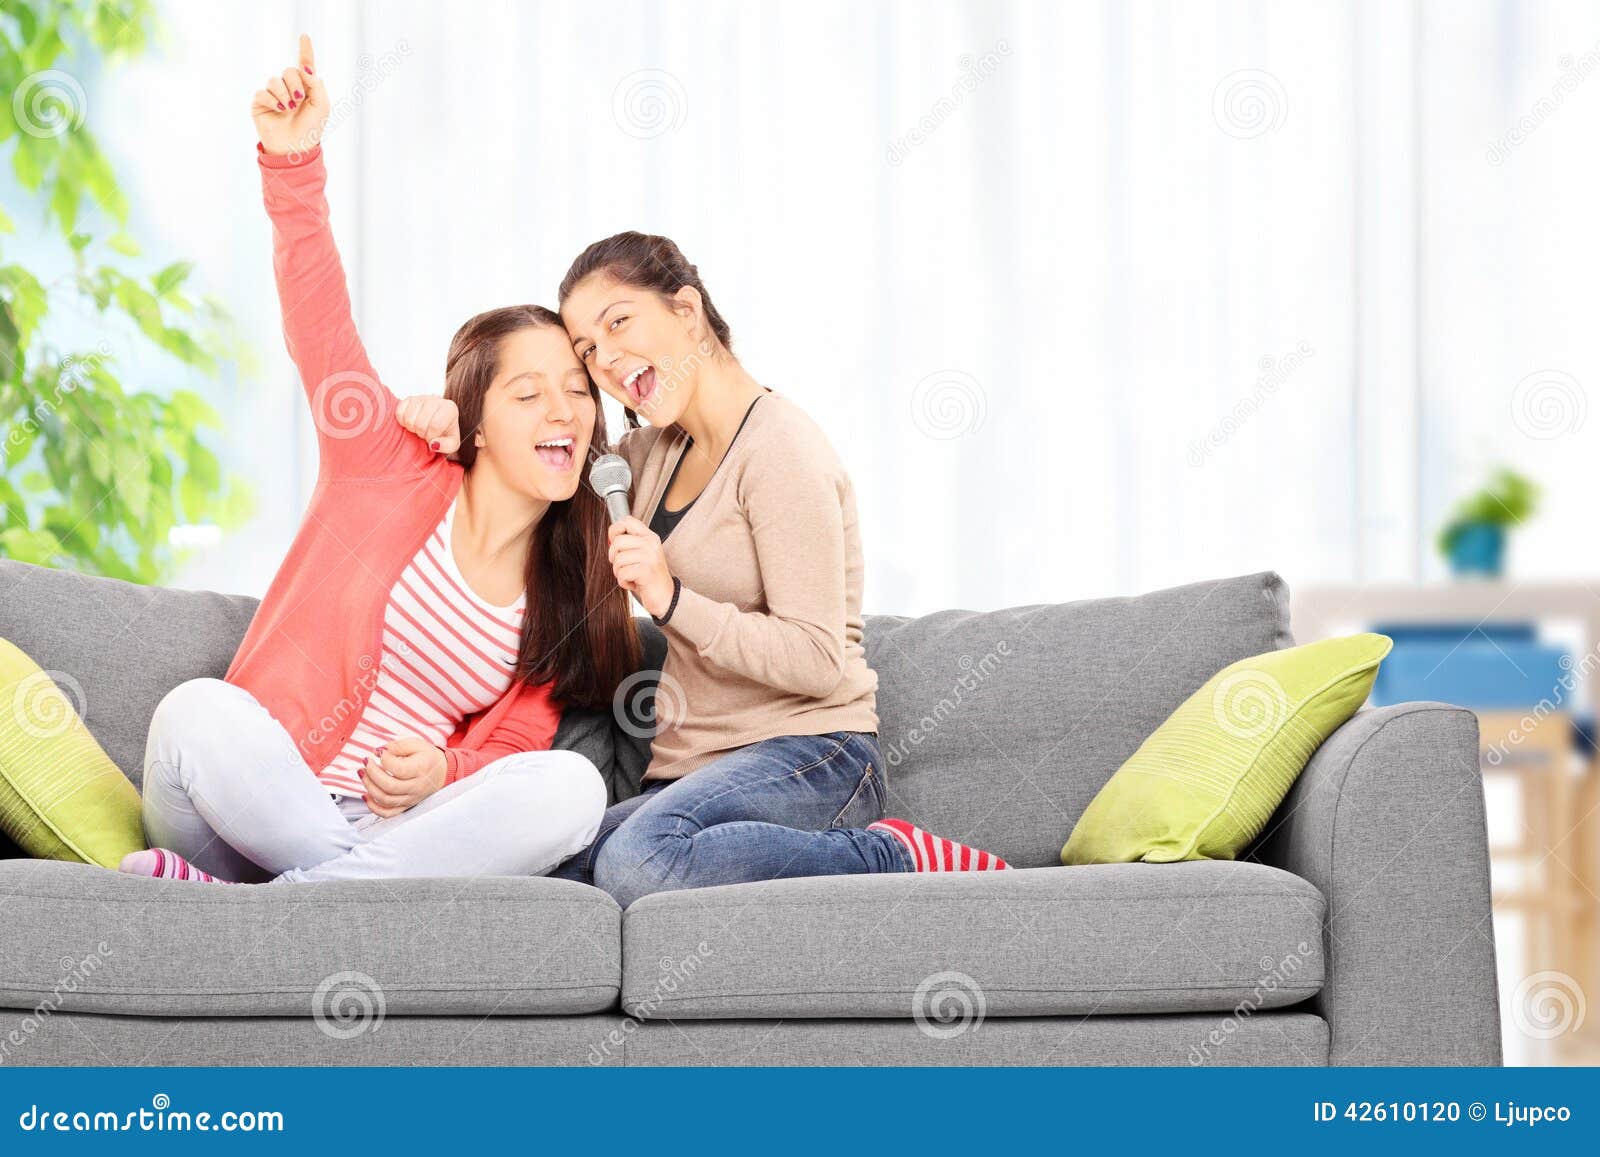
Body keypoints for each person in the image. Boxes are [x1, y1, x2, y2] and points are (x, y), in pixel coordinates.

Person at [117, 34, 637, 885]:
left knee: (574, 787)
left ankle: (280, 907)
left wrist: (447, 772)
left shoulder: (569, 581)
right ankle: (339, 897)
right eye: (528, 392)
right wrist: (292, 164)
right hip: (249, 805)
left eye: (579, 390)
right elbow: (318, 319)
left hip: (395, 833)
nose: (564, 410)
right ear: (473, 424)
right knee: (192, 713)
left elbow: (508, 748)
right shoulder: (384, 461)